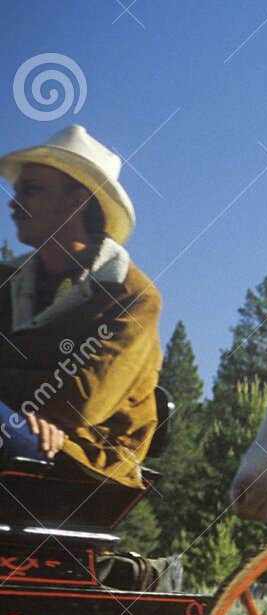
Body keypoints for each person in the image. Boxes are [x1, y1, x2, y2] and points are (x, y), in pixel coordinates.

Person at [0, 124, 160, 488]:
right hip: (26, 434)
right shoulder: (7, 281)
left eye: (31, 190)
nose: (13, 202)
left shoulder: (132, 296)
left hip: (82, 459)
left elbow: (81, 400)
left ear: (76, 203)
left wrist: (18, 408)